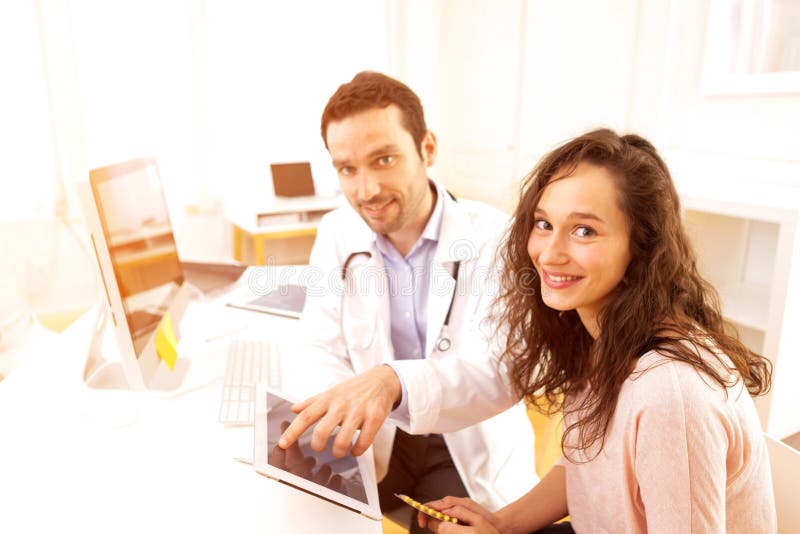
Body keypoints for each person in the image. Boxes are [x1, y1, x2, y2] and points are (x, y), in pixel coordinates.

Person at [414, 129, 776, 533]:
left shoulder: (669, 392)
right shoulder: (603, 336)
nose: (549, 254)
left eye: (584, 231)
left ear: (641, 245)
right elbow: (586, 464)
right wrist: (501, 524)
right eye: (544, 224)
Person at [278, 71, 535, 532]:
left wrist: (393, 381)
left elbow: (503, 370)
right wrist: (335, 416)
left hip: (460, 438)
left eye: (384, 159)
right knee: (304, 514)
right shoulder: (337, 232)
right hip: (378, 434)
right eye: (347, 169)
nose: (367, 190)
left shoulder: (496, 238)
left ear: (427, 149)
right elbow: (319, 343)